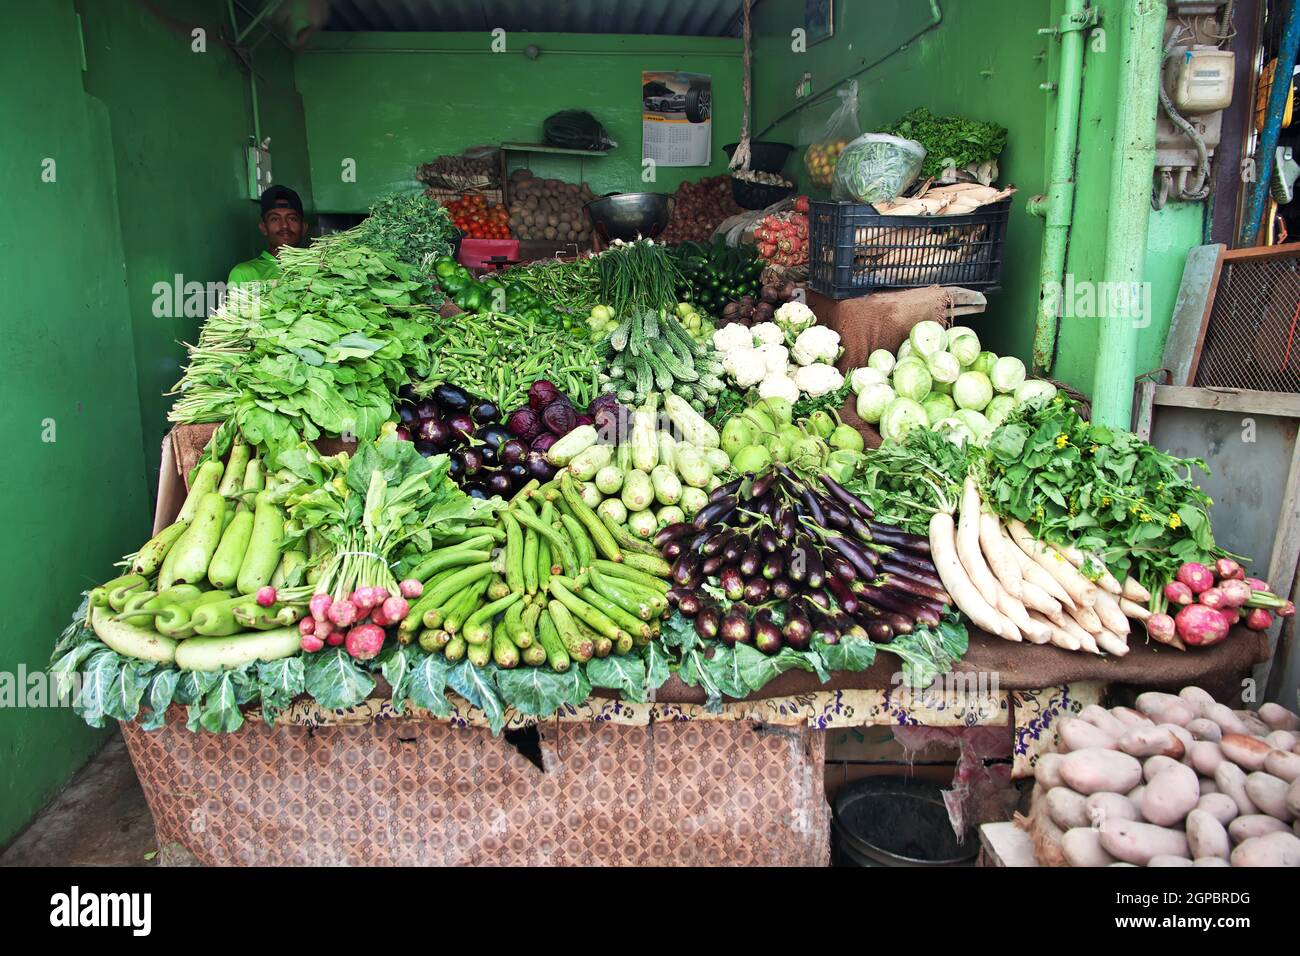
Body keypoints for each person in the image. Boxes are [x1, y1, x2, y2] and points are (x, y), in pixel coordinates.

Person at [227, 184, 308, 288]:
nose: (284, 225)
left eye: (292, 219)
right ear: (263, 228)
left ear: (304, 228)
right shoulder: (244, 274)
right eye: (275, 219)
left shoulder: (321, 270)